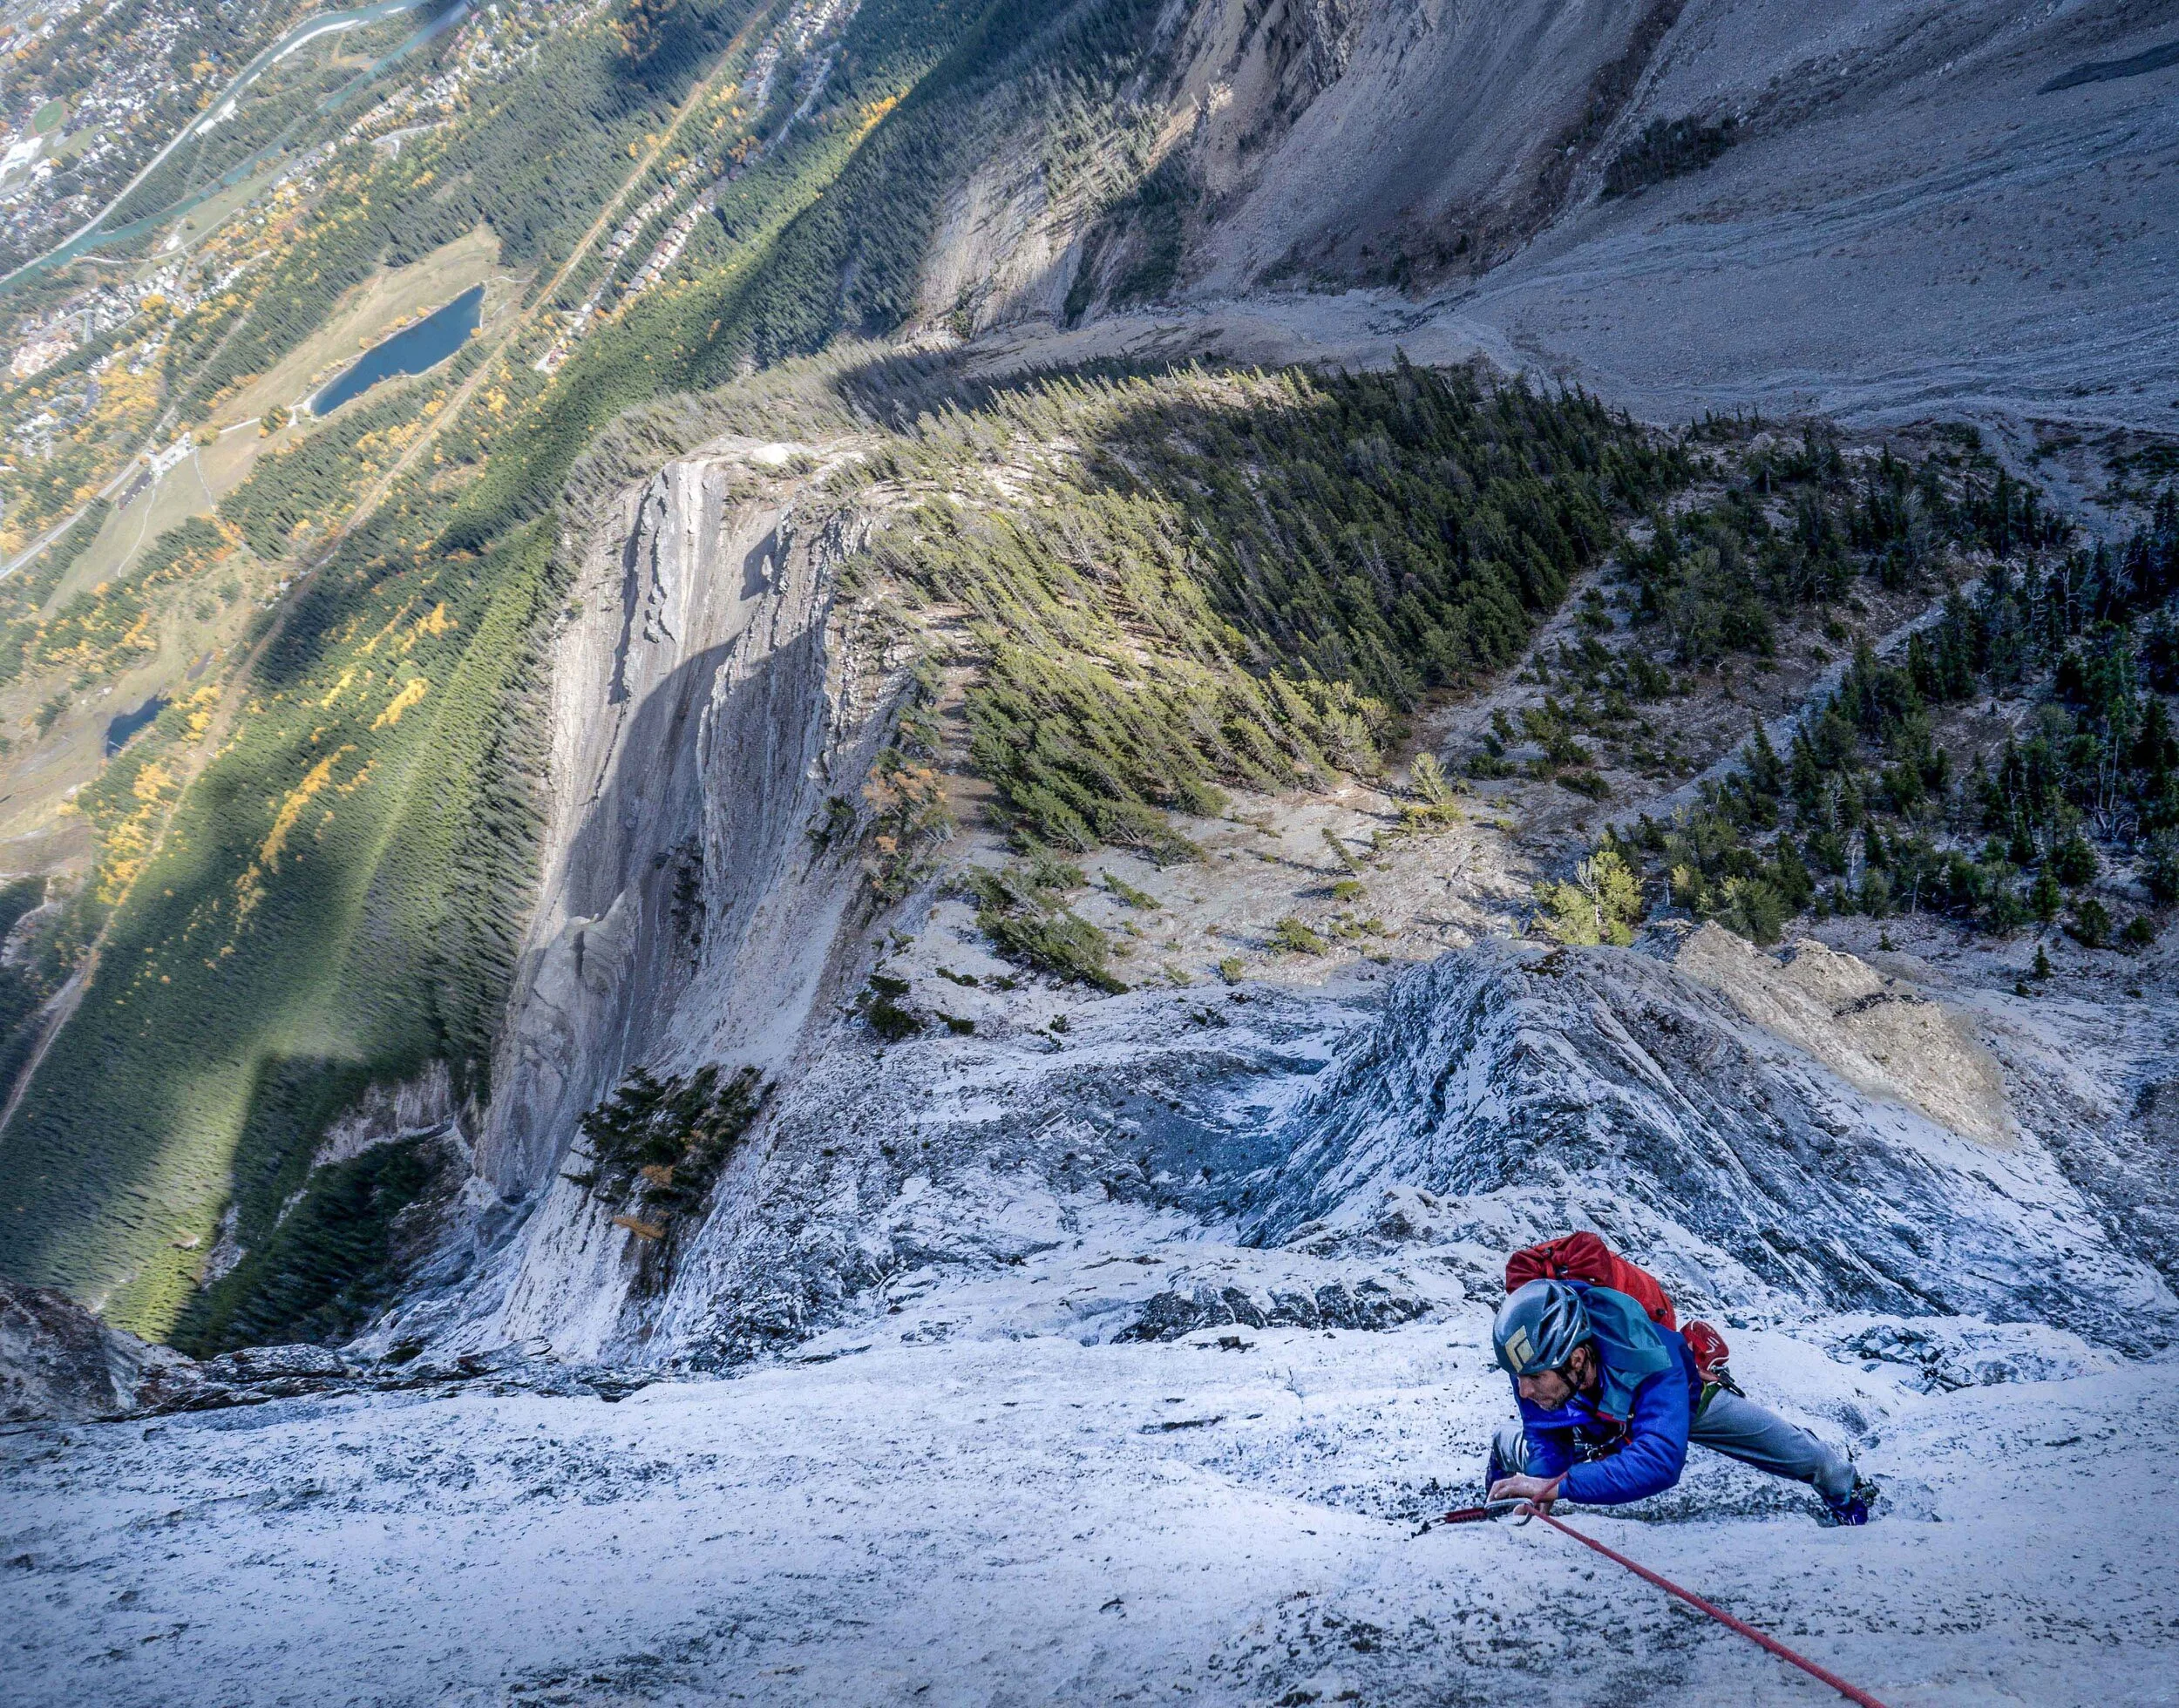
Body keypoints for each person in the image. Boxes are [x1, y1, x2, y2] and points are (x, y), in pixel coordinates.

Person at [1485, 1276, 1877, 1525]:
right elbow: (1546, 1435)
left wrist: (1560, 1486)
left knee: (1805, 1457)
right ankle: (1499, 1488)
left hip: (1683, 1403)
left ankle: (1847, 1493)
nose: (1524, 1392)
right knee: (1520, 1448)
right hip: (1596, 1417)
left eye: (1535, 1379)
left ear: (1576, 1358)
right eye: (1519, 1378)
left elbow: (1659, 1462)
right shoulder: (1536, 1359)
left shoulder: (1655, 1358)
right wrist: (1539, 1483)